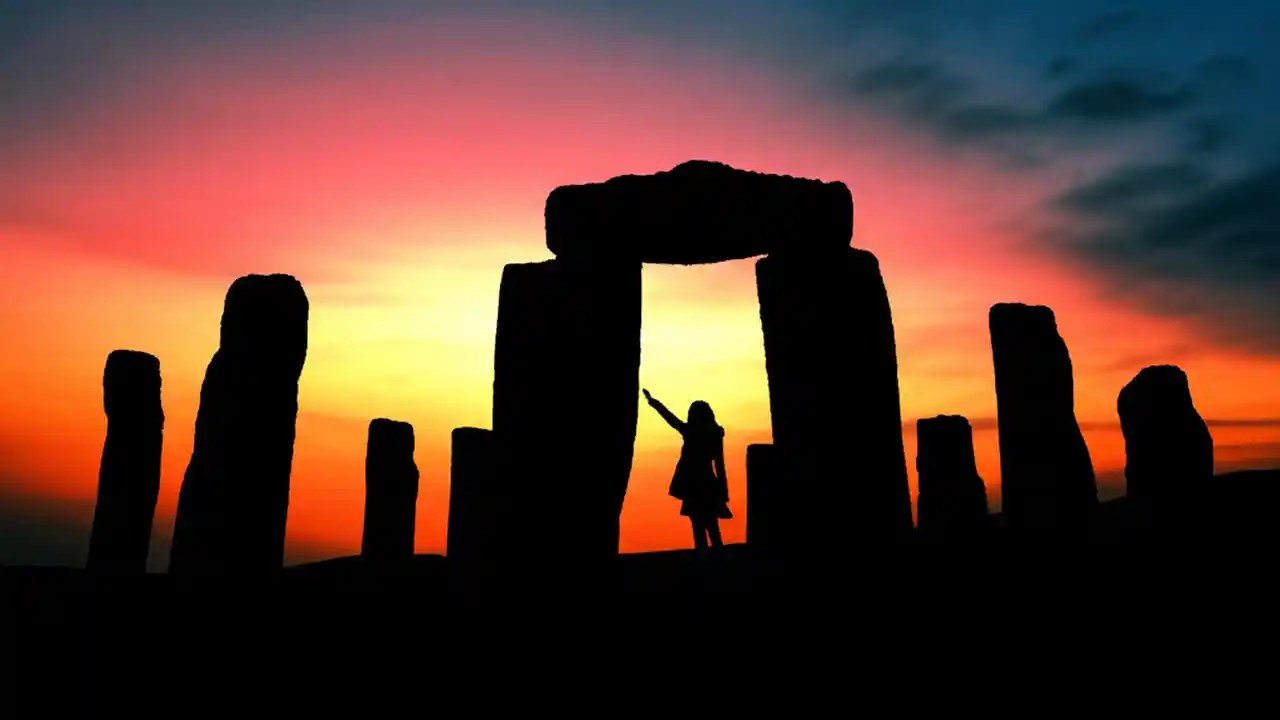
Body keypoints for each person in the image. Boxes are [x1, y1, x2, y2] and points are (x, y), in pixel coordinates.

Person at [642, 388, 731, 550]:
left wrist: (653, 402)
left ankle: (704, 563)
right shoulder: (715, 435)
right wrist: (724, 492)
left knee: (698, 527)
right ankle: (718, 562)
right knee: (712, 526)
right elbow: (720, 466)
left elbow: (670, 418)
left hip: (692, 484)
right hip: (708, 484)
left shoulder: (690, 432)